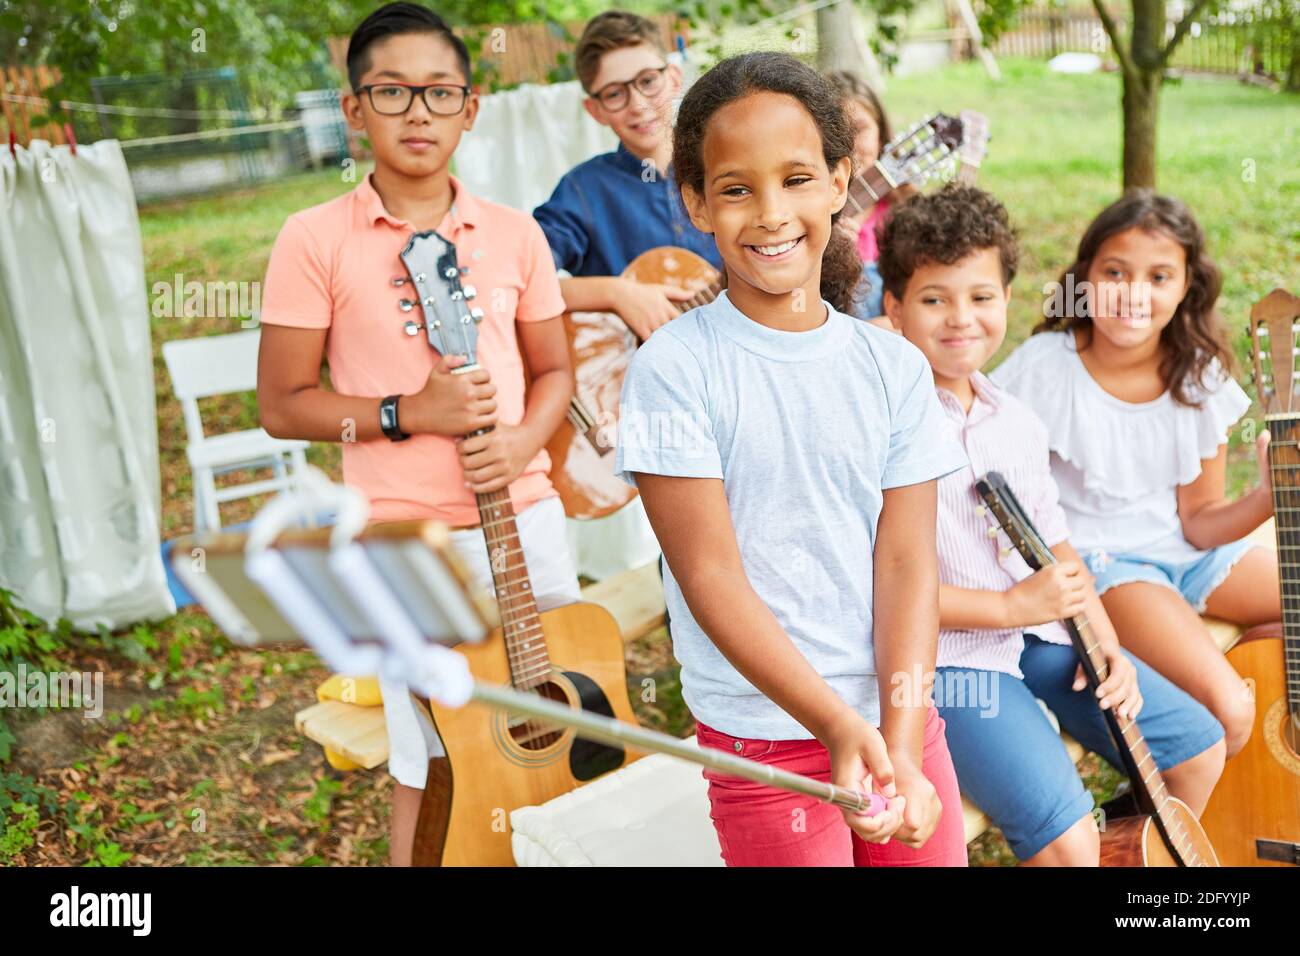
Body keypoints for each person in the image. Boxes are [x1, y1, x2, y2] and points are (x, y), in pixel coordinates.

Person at [616, 51, 970, 866]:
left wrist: (902, 737)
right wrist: (834, 724)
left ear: (842, 181)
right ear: (698, 203)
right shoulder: (674, 369)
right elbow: (709, 576)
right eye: (736, 188)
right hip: (769, 743)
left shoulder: (894, 367)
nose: (771, 213)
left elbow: (909, 561)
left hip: (900, 719)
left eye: (798, 178)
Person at [254, 2, 578, 865]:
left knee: (560, 726)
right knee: (431, 760)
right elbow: (283, 403)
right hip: (405, 544)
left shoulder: (515, 234)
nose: (418, 114)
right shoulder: (312, 239)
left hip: (528, 528)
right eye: (391, 93)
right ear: (353, 109)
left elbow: (555, 373)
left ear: (471, 108)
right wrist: (405, 411)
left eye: (439, 93)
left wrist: (525, 444)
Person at [880, 184, 1225, 865]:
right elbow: (878, 589)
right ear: (893, 308)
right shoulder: (882, 424)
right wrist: (1007, 604)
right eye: (933, 299)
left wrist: (1105, 641)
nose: (960, 319)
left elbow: (1056, 547)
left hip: (1040, 636)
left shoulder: (1014, 418)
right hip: (948, 662)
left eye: (980, 297)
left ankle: (1130, 858)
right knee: (1069, 843)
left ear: (1006, 300)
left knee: (1197, 746)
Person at [992, 192, 1280, 758]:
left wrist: (1269, 497)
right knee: (1229, 710)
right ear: (1084, 279)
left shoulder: (1199, 372)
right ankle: (1158, 826)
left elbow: (1199, 523)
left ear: (1186, 288)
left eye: (1158, 276)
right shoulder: (1047, 367)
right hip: (1109, 565)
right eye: (1115, 272)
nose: (1131, 293)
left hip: (1191, 554)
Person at [532, 9, 722, 342]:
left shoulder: (726, 166)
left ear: (675, 78)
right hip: (629, 381)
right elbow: (518, 280)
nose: (637, 104)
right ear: (596, 110)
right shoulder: (583, 190)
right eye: (615, 93)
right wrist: (615, 293)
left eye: (648, 81)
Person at [824, 69, 915, 322]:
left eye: (860, 129)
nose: (849, 145)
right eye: (835, 132)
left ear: (882, 134)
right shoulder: (806, 213)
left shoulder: (906, 211)